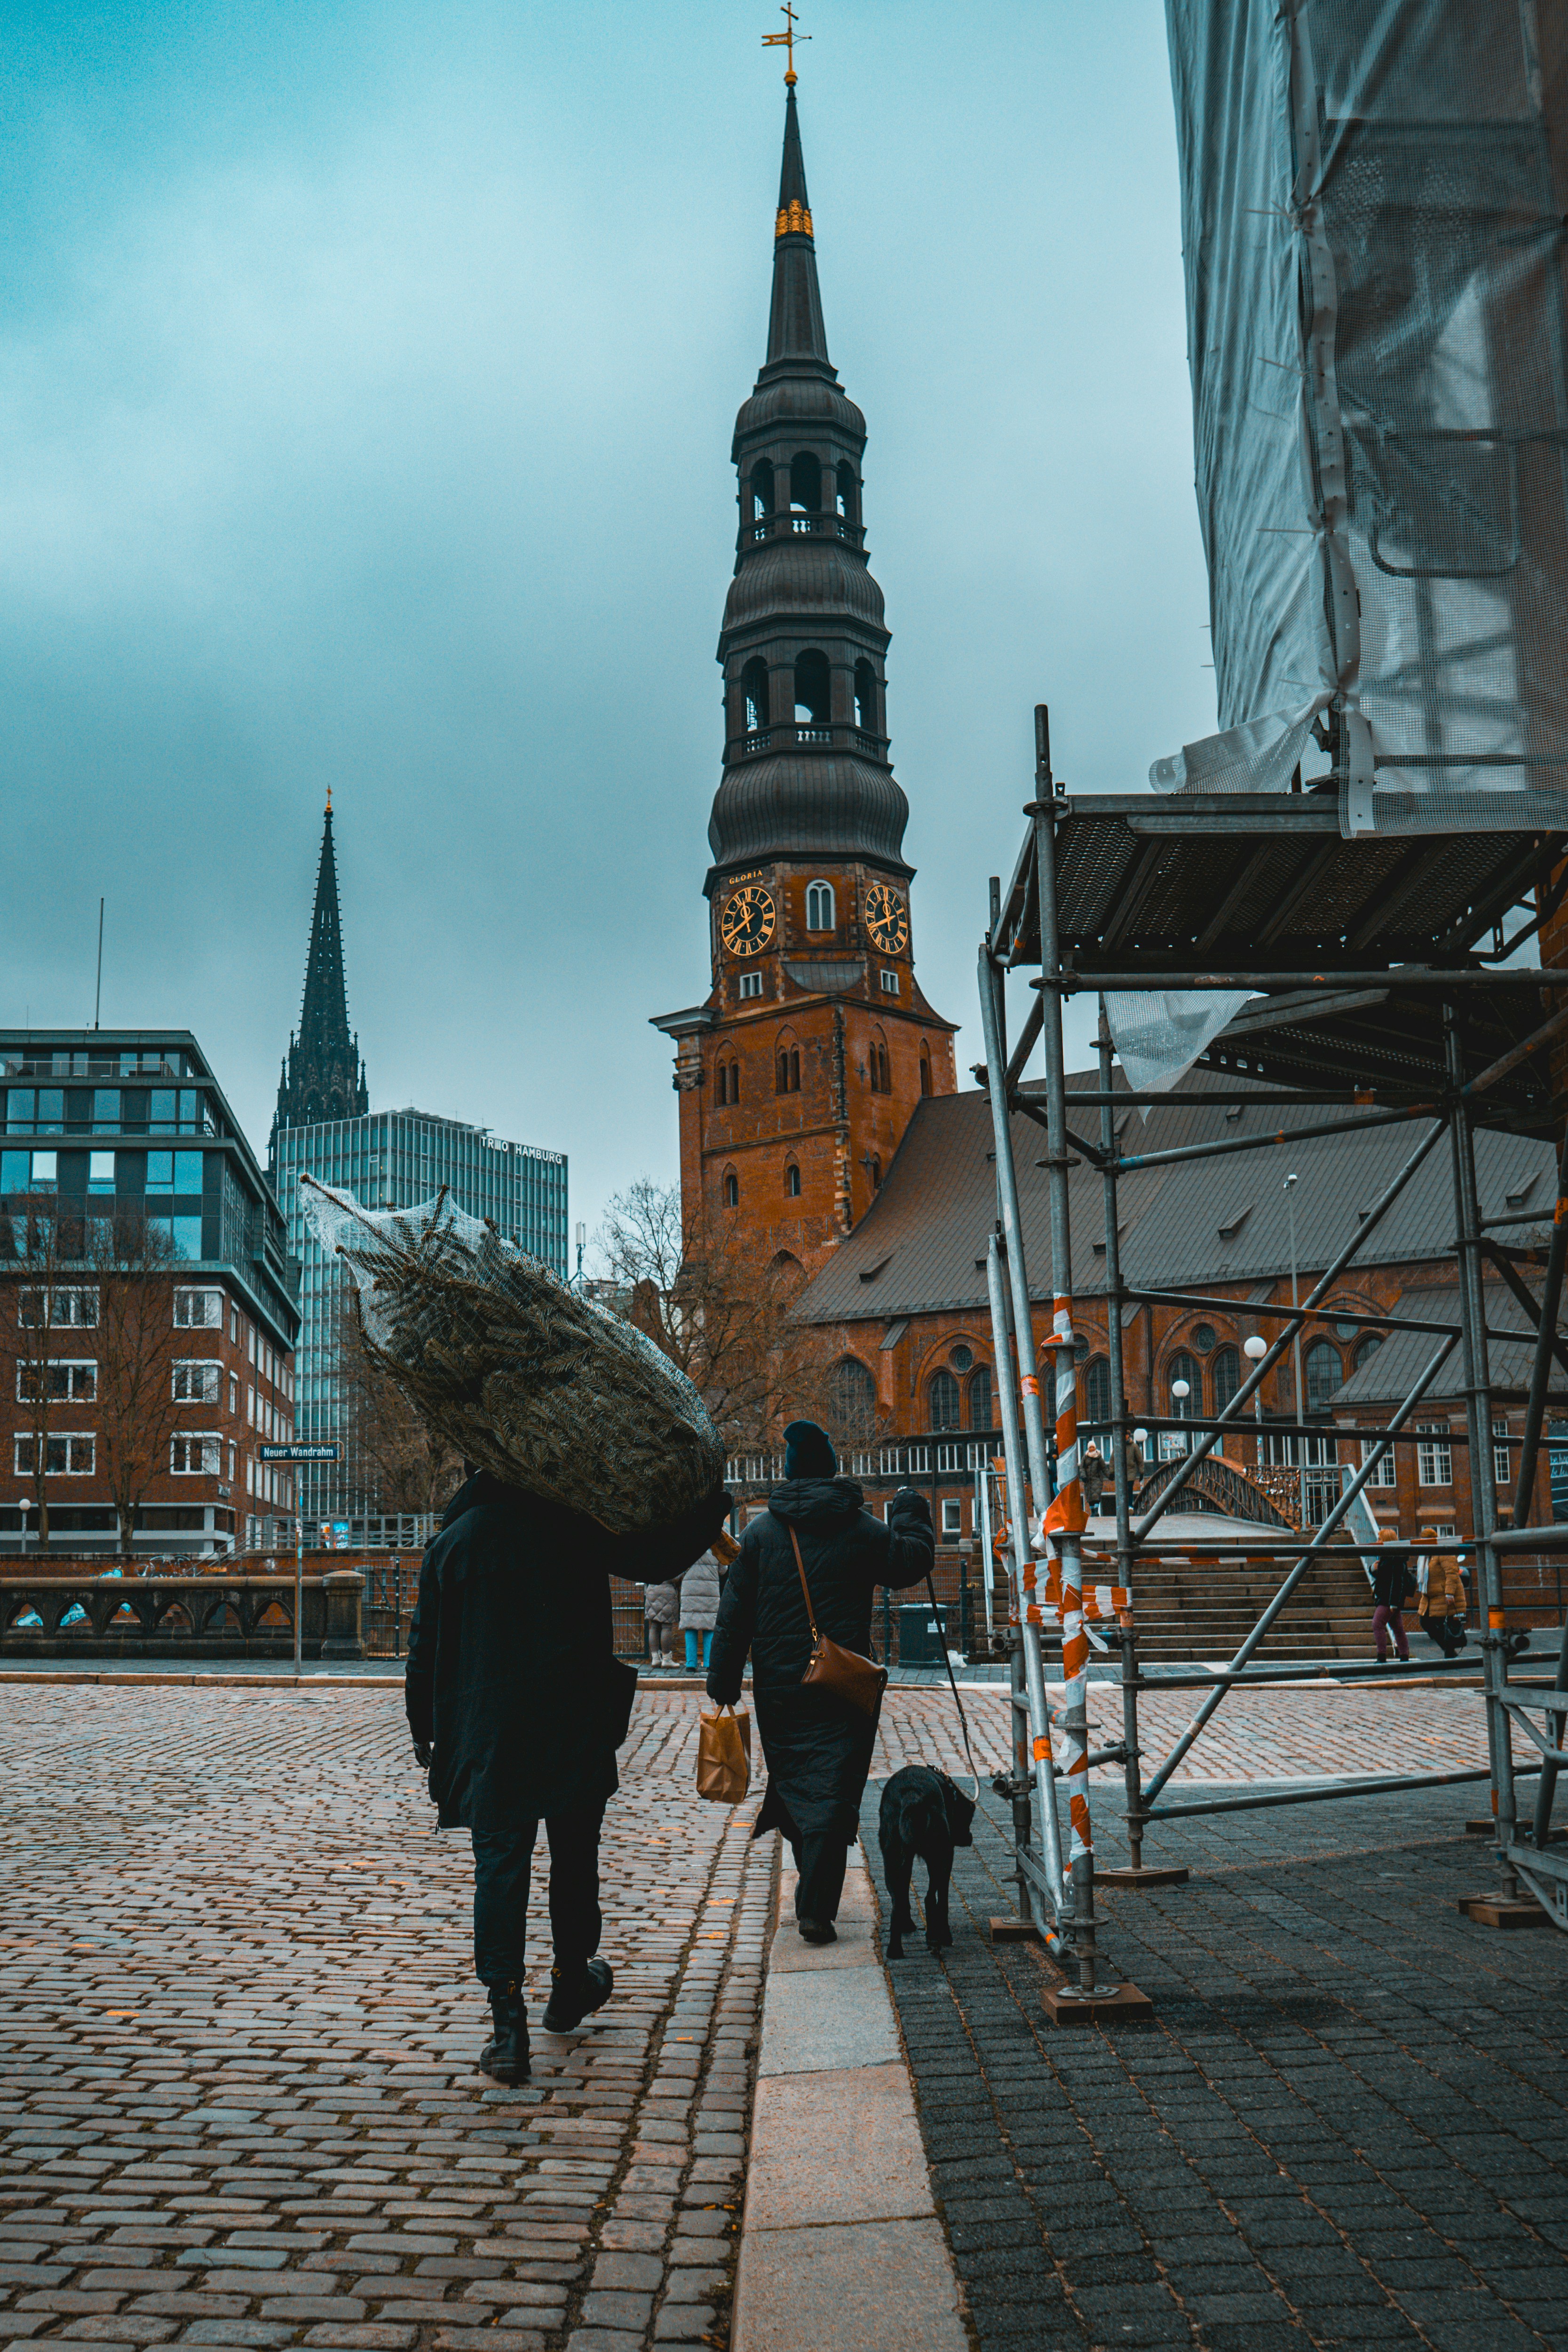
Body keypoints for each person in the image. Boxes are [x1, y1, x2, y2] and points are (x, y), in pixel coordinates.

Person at [406, 1465, 725, 2086]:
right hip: (569, 1723)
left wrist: (426, 1731)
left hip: (491, 1734)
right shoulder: (574, 1525)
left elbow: (425, 1646)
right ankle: (570, 1981)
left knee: (500, 1869)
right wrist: (707, 1509)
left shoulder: (452, 1543)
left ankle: (507, 2026)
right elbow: (652, 1554)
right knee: (575, 1859)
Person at [706, 1418, 934, 1944]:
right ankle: (815, 1905)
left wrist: (722, 1681)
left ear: (788, 1475)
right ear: (831, 1470)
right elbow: (909, 1562)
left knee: (794, 1781)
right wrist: (910, 1511)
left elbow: (732, 1613)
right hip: (843, 1685)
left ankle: (811, 1887)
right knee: (833, 1791)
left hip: (781, 1690)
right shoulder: (859, 1527)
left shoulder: (761, 1534)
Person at [1415, 1535, 1467, 1658]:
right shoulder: (1427, 1557)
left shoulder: (1443, 1552)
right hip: (1431, 1598)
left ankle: (1449, 1651)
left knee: (1442, 1624)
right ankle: (1448, 1650)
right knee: (1427, 1622)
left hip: (1445, 1597)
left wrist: (1449, 1593)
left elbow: (1452, 1573)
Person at [680, 1547, 723, 1673]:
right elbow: (723, 1570)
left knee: (690, 1626)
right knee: (710, 1627)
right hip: (710, 1591)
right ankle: (709, 1664)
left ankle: (691, 1665)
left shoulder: (687, 1545)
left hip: (690, 1591)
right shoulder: (716, 1546)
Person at [1370, 1542, 1414, 1664]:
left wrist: (1394, 1603)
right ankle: (1404, 1656)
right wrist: (1373, 1568)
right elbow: (1384, 1576)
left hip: (1388, 1599)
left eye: (1381, 1539)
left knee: (1377, 1624)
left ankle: (1382, 1656)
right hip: (1389, 1598)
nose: (1379, 1541)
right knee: (1398, 1628)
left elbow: (1397, 1581)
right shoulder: (1389, 1557)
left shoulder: (1395, 1558)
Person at [643, 1576, 681, 1668]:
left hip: (651, 1591)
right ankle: (667, 1659)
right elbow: (675, 1578)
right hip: (667, 1593)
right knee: (667, 1627)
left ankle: (655, 1659)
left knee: (654, 1627)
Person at [1081, 1441, 1107, 1519]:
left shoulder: (1099, 1457)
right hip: (1088, 1480)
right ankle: (1093, 1512)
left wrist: (1110, 1476)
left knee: (1096, 1495)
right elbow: (1082, 1468)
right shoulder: (1085, 1457)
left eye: (1093, 1447)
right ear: (1088, 1448)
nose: (1092, 1449)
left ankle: (1096, 1511)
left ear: (1095, 1448)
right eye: (1090, 1447)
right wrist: (1083, 1476)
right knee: (1089, 1497)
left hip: (1097, 1479)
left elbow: (1104, 1468)